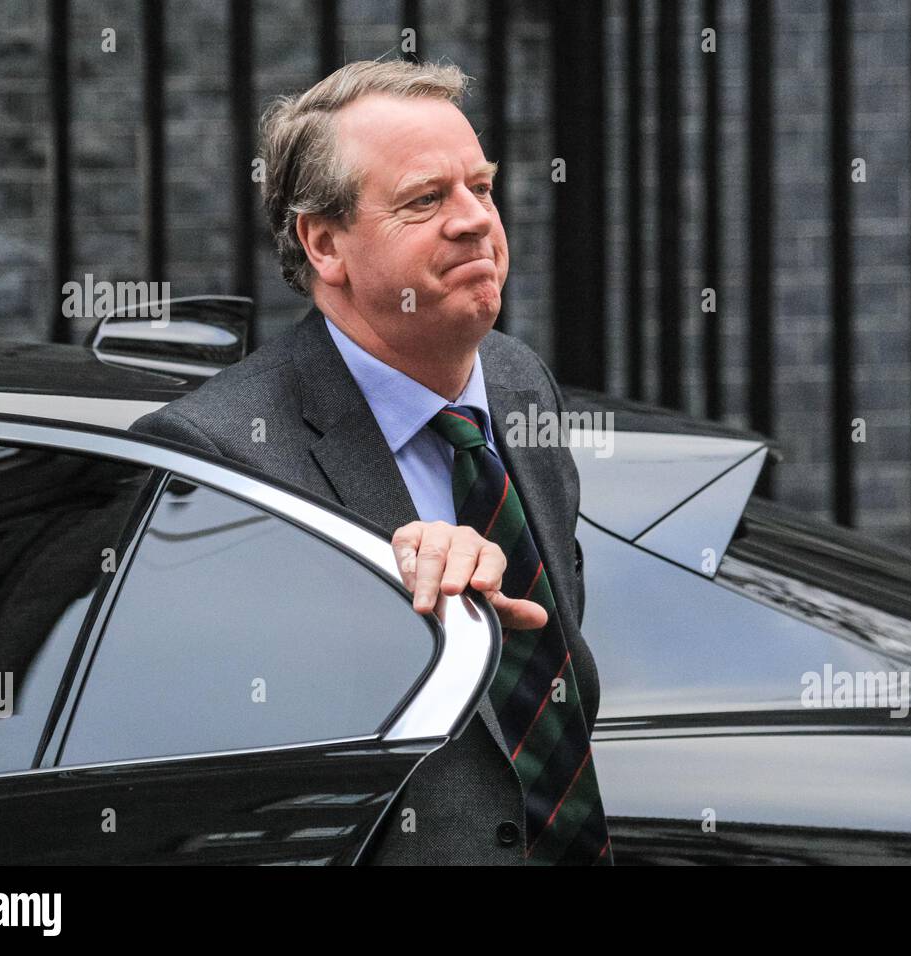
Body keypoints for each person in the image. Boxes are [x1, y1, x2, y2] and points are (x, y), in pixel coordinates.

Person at [130, 59, 611, 865]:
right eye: (426, 199)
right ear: (325, 243)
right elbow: (213, 757)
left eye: (482, 188)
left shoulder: (521, 381)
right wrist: (385, 601)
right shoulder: (217, 451)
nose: (474, 222)